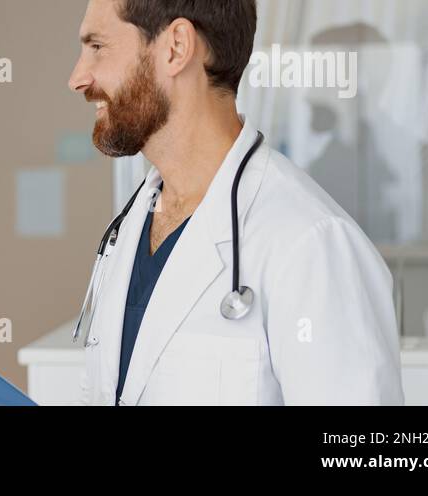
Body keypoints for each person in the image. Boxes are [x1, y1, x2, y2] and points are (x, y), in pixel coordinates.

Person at [68, 0, 403, 405]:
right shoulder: (131, 226)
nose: (78, 78)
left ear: (176, 47)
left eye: (97, 47)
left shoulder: (312, 244)